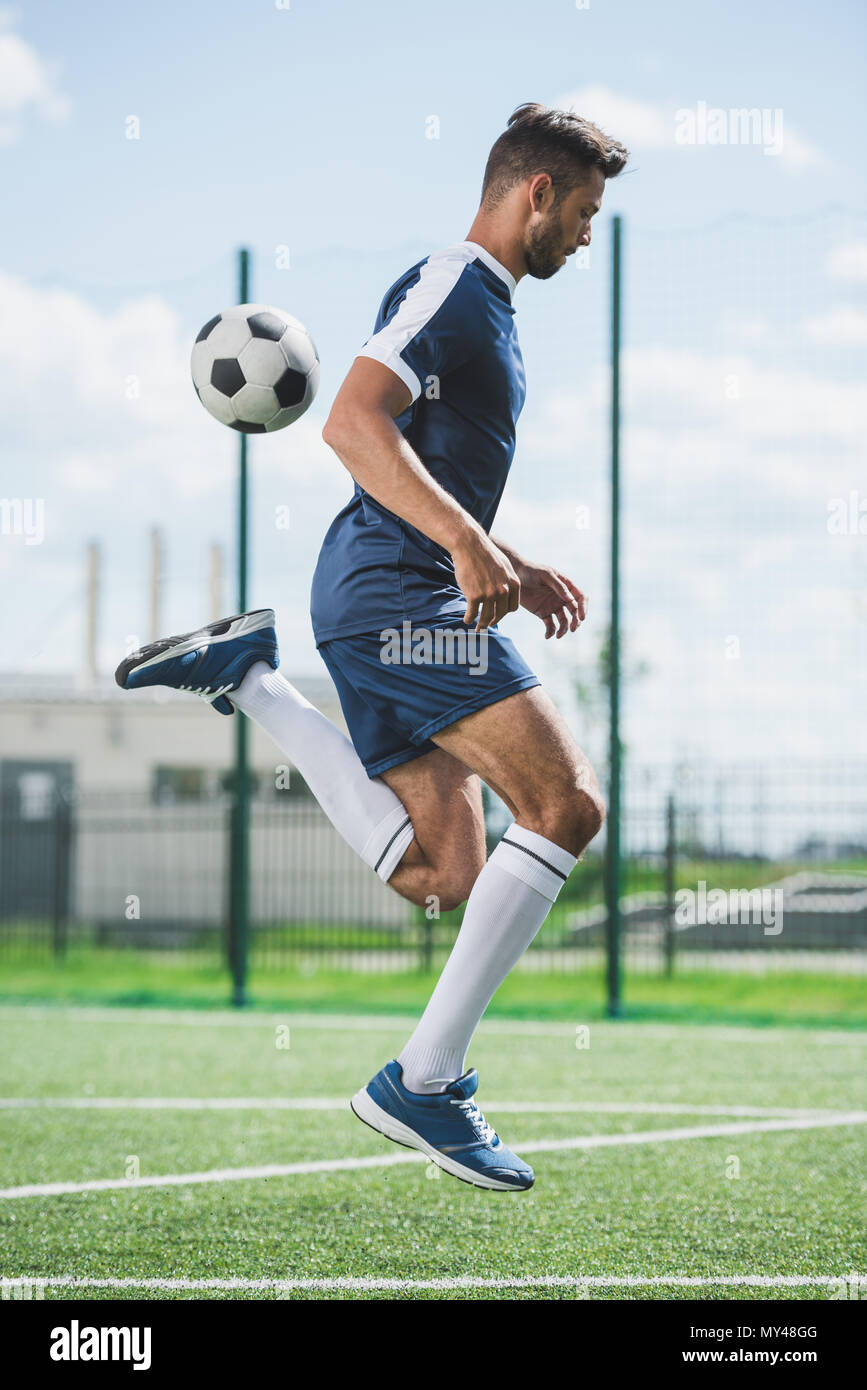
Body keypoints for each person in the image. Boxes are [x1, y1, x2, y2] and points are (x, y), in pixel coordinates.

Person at [116, 102, 628, 1192]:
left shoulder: (485, 306)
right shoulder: (453, 284)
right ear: (535, 192)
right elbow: (352, 421)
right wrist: (465, 544)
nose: (588, 235)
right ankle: (424, 1081)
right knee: (568, 803)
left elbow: (419, 457)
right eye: (584, 212)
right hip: (398, 602)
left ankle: (251, 677)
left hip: (386, 598)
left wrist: (507, 557)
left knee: (445, 873)